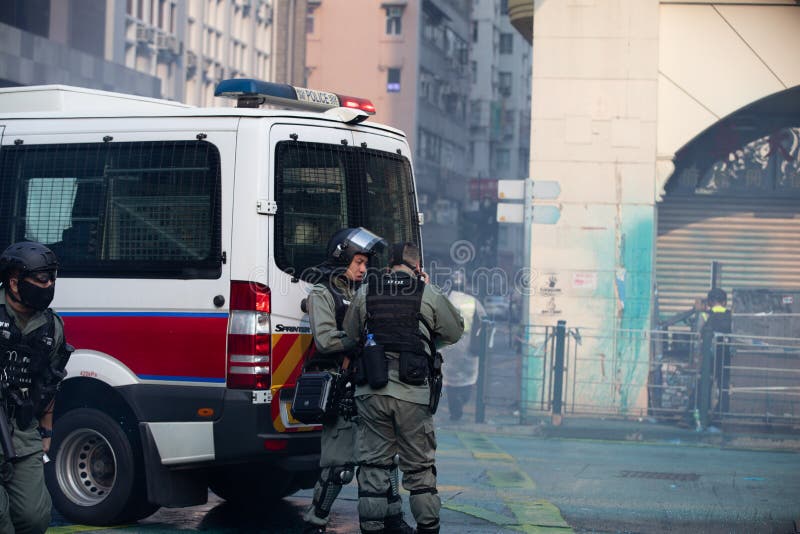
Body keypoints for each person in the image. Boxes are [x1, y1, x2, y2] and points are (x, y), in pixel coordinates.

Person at [343, 242, 464, 534]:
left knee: (373, 467)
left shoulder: (366, 291)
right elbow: (455, 330)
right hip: (412, 394)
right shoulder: (427, 293)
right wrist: (427, 341)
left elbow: (350, 335)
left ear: (388, 268)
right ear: (418, 268)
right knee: (419, 470)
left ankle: (371, 529)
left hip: (371, 391)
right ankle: (427, 529)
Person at [302, 228, 411, 534]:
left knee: (385, 461)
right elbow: (324, 340)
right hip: (341, 385)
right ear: (342, 258)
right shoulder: (322, 293)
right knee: (338, 465)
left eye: (366, 263)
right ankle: (315, 521)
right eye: (358, 262)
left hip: (370, 384)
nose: (363, 268)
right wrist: (360, 339)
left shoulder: (366, 292)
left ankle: (393, 520)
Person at [0, 241, 72, 534]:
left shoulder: (51, 327)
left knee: (34, 519)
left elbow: (50, 382)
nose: (49, 285)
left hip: (22, 434)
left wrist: (47, 432)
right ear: (14, 283)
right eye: (42, 280)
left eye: (53, 278)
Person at [441, 273, 487, 422]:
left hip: (448, 345)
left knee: (449, 380)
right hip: (467, 345)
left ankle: (455, 412)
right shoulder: (473, 302)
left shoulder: (445, 300)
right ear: (465, 285)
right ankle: (463, 399)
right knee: (468, 378)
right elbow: (484, 320)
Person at [699, 288, 732, 417]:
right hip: (725, 353)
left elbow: (698, 335)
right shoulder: (730, 315)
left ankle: (703, 410)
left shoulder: (704, 314)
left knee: (706, 381)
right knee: (723, 383)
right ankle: (722, 411)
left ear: (710, 302)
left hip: (709, 354)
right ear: (724, 302)